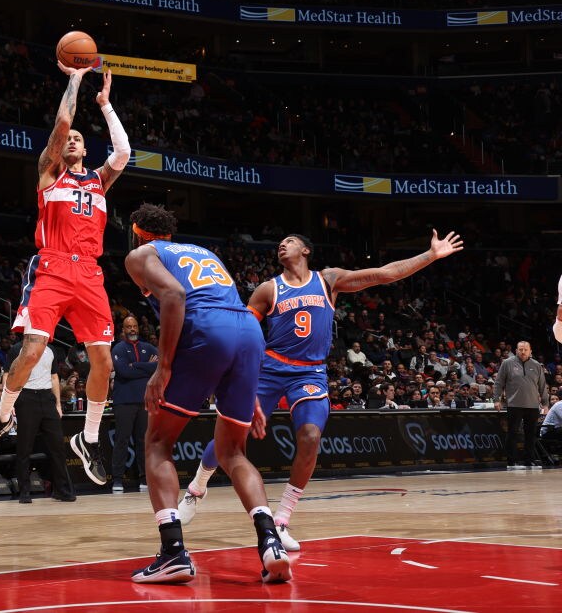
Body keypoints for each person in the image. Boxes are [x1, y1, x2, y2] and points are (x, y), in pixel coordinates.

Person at [178, 229, 464, 553]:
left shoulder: (328, 280)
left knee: (311, 436)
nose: (282, 245)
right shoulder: (267, 289)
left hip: (309, 370)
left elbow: (384, 275)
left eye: (290, 241)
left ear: (306, 250)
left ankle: (282, 519)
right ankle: (197, 488)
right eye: (280, 243)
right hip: (269, 368)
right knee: (232, 434)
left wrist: (430, 255)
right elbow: (243, 332)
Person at [0, 64, 131, 489]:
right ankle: (2, 417)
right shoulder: (49, 173)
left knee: (103, 361)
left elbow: (124, 153)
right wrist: (76, 79)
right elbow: (62, 123)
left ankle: (90, 438)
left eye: (81, 138)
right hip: (54, 266)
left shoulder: (99, 181)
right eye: (70, 140)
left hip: (90, 273)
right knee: (32, 349)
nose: (74, 139)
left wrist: (106, 104)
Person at [123, 204, 285, 584]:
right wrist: (251, 391)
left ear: (136, 232)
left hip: (205, 329)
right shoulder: (204, 252)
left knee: (159, 443)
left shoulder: (141, 254)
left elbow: (175, 295)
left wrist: (163, 367)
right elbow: (230, 321)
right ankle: (270, 542)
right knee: (233, 452)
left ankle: (172, 552)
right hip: (246, 334)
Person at [5, 339, 74, 504]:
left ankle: (61, 490)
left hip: (47, 398)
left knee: (57, 447)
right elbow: (8, 375)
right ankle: (24, 491)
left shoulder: (51, 349)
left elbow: (54, 377)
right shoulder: (17, 348)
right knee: (25, 447)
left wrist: (58, 404)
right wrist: (9, 402)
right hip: (25, 396)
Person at [110, 315, 156, 493]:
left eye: (135, 326)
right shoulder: (118, 348)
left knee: (143, 441)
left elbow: (159, 366)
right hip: (124, 402)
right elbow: (123, 371)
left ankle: (144, 479)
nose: (133, 330)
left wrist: (134, 366)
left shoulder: (148, 347)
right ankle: (117, 480)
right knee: (121, 440)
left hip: (144, 400)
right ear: (123, 329)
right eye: (129, 327)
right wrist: (145, 366)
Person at [495, 341, 549, 470]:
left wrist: (545, 404)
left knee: (530, 434)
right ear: (516, 350)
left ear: (530, 351)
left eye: (525, 349)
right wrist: (496, 399)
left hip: (532, 405)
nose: (523, 352)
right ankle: (511, 461)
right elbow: (498, 382)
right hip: (514, 404)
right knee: (512, 433)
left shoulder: (536, 365)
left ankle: (528, 460)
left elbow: (542, 386)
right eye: (520, 349)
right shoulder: (507, 363)